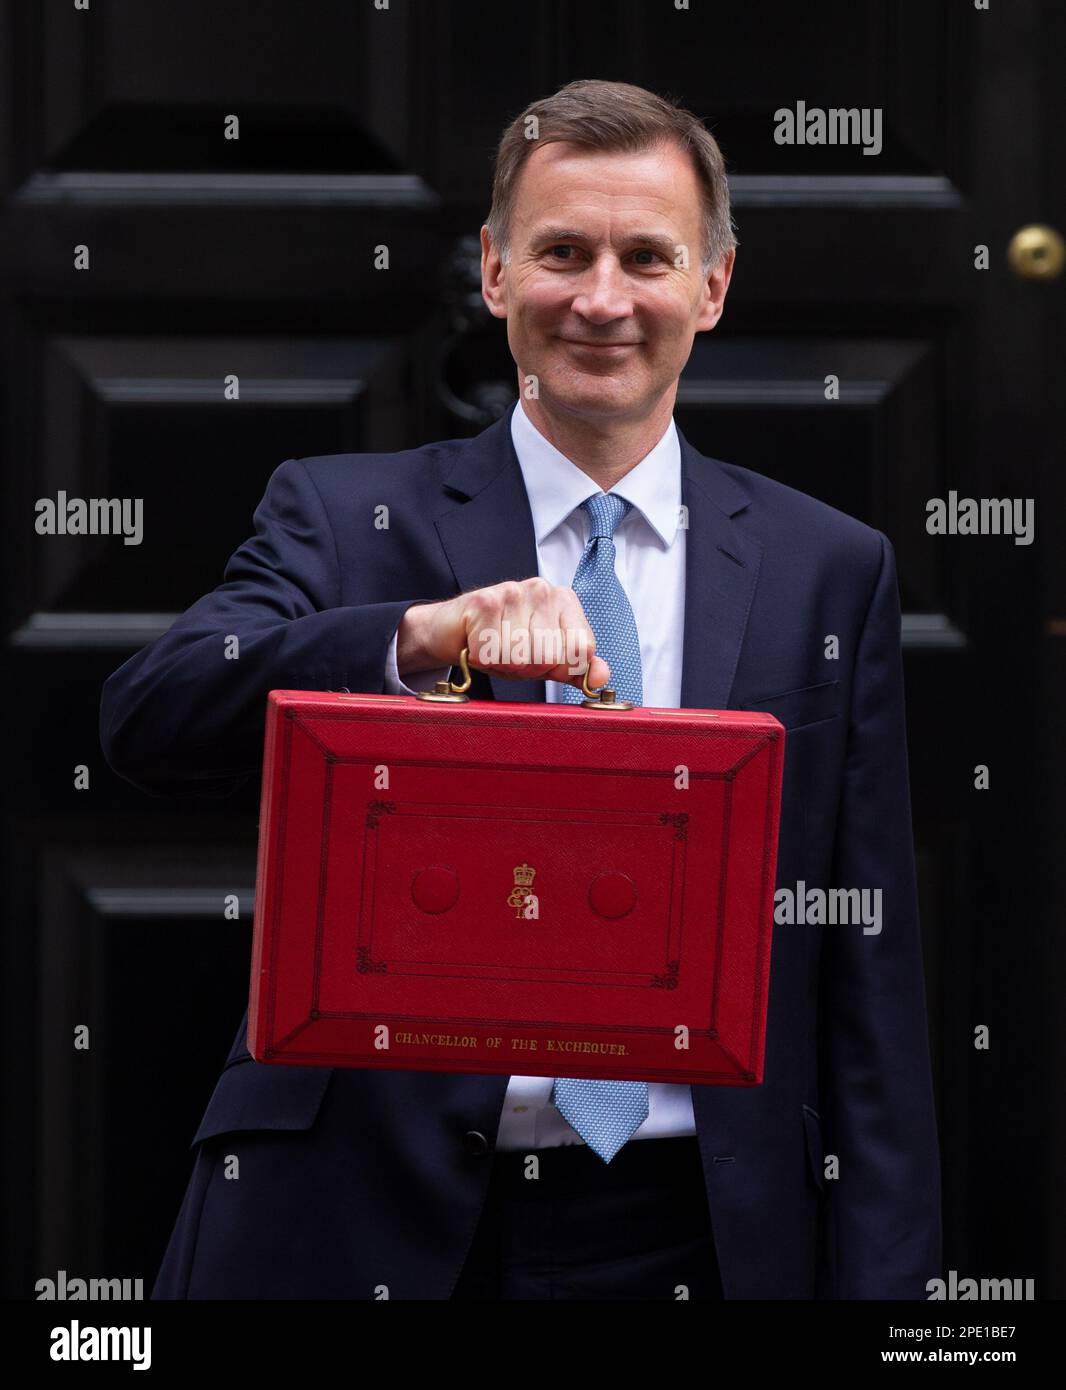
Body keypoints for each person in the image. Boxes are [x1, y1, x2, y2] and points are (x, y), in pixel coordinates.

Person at [100, 78, 941, 1300]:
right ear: (495, 273)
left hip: (701, 1228)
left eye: (645, 256)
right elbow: (149, 715)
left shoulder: (830, 568)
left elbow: (866, 973)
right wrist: (421, 635)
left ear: (711, 286)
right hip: (365, 1219)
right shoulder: (342, 515)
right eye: (562, 252)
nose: (602, 298)